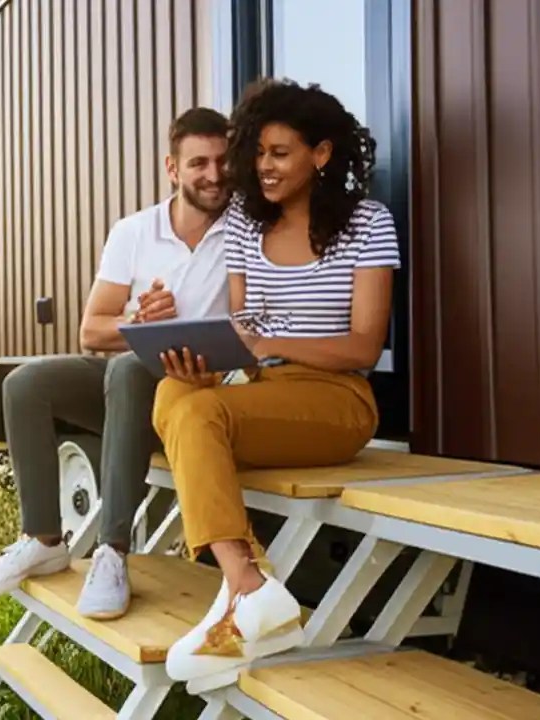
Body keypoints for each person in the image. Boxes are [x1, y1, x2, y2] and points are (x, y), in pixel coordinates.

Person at [153, 80, 400, 683]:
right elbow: (243, 331)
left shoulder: (368, 222)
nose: (263, 166)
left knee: (196, 415)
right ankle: (246, 579)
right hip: (264, 389)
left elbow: (364, 346)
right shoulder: (243, 223)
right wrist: (211, 363)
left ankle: (245, 590)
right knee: (174, 392)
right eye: (258, 152)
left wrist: (270, 345)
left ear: (320, 154)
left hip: (338, 401)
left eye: (280, 153)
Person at [0, 107, 234, 621]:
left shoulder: (244, 233)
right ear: (172, 169)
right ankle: (43, 538)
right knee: (25, 384)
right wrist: (139, 317)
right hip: (132, 384)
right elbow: (92, 330)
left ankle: (111, 552)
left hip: (201, 390)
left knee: (128, 369)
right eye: (199, 162)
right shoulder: (134, 231)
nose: (214, 174)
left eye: (223, 161)